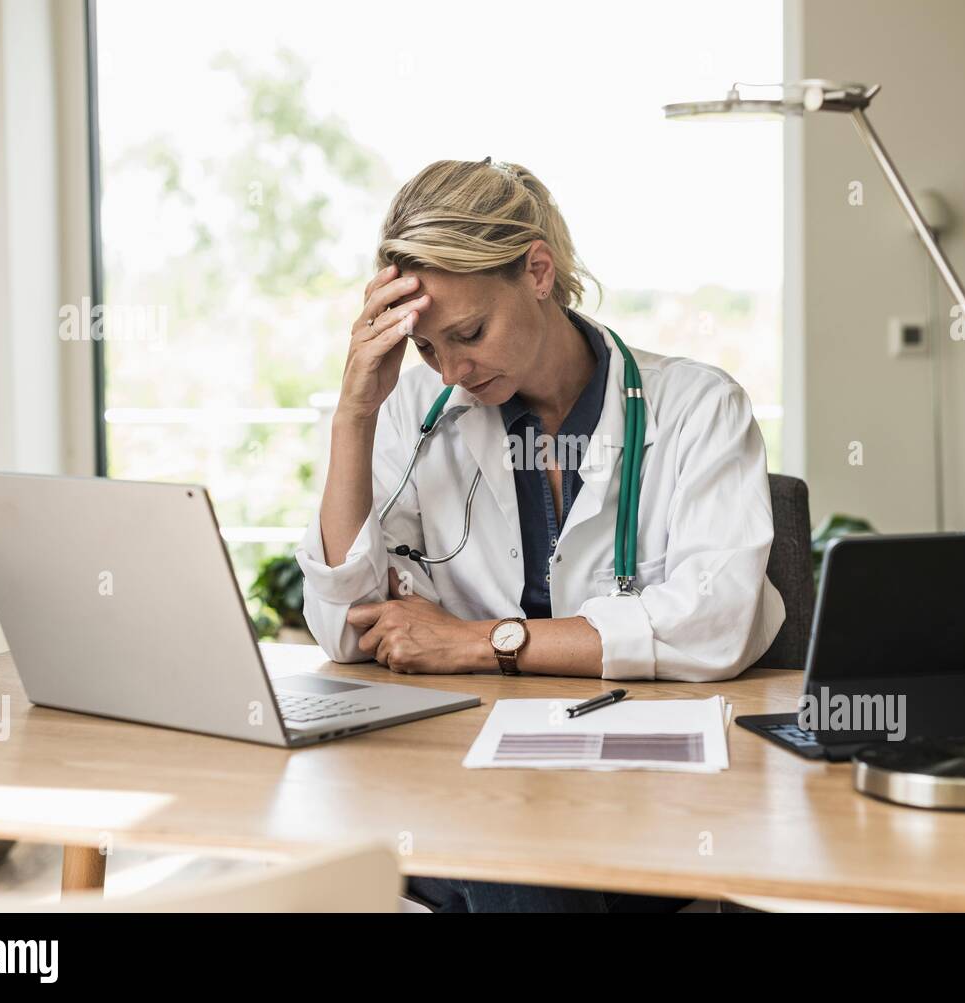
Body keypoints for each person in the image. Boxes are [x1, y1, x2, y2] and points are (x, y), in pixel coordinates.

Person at [296, 157, 785, 912]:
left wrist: (477, 640)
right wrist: (353, 414)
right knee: (306, 848)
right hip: (461, 771)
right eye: (427, 348)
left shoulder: (698, 409)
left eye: (469, 333)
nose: (453, 370)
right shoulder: (414, 410)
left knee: (517, 872)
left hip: (632, 790)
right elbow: (346, 626)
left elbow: (713, 625)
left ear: (537, 271)